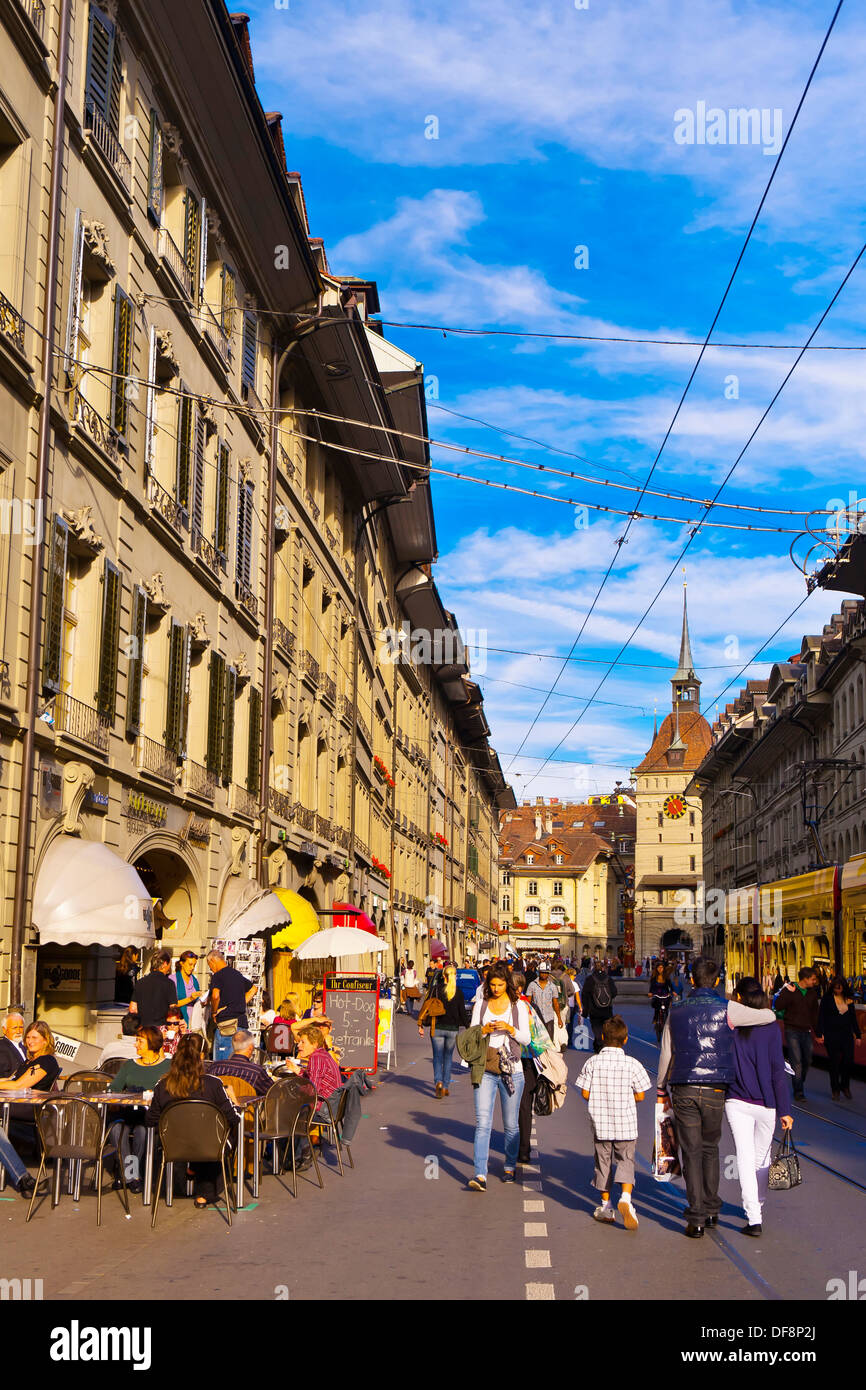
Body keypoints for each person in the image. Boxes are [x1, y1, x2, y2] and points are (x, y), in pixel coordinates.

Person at [657, 956, 777, 1238]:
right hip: (716, 1089)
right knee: (711, 1148)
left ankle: (696, 1216)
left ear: (691, 980)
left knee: (691, 1151)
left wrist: (661, 1089)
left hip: (684, 1087)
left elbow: (666, 1053)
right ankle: (711, 1209)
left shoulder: (676, 1010)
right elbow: (769, 1016)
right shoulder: (728, 1008)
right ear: (718, 981)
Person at [725, 978, 794, 1237]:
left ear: (741, 999)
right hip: (767, 1103)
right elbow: (778, 1070)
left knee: (744, 1157)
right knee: (761, 1157)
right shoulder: (772, 1027)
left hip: (737, 1100)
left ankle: (754, 1217)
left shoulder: (731, 1026)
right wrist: (785, 1110)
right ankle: (758, 1204)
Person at [146, 1033, 238, 1209]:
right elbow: (232, 1119)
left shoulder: (162, 1085)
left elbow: (151, 1120)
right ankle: (205, 1193)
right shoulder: (213, 1084)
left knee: (200, 1137)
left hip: (172, 1146)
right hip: (208, 1147)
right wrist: (235, 1102)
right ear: (202, 1056)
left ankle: (192, 1171)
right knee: (217, 1138)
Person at [577, 1015, 651, 1229]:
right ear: (626, 1040)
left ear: (601, 1037)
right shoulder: (632, 1064)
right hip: (626, 1124)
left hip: (601, 1124)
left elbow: (584, 1092)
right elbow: (641, 1095)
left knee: (603, 1163)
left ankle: (606, 1206)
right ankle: (626, 1199)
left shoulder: (593, 1062)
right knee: (627, 1160)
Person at [466, 962, 532, 1190]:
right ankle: (480, 1174)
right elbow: (472, 1031)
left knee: (511, 1124)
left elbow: (526, 1039)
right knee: (482, 1122)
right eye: (492, 984)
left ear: (507, 984)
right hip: (484, 1067)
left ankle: (509, 1166)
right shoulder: (481, 1005)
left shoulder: (518, 1007)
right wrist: (484, 1030)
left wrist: (509, 1028)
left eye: (500, 985)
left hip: (512, 1070)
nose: (495, 988)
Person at [110, 1025, 172, 1193]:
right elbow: (114, 1088)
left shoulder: (168, 1066)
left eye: (139, 1041)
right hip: (128, 1113)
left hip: (151, 1116)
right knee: (116, 1130)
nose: (135, 1044)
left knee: (141, 1132)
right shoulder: (130, 1065)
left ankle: (128, 1174)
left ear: (151, 1043)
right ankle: (132, 1176)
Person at [418, 963, 468, 1097]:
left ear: (443, 976)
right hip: (452, 1030)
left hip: (437, 1028)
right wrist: (469, 1028)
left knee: (437, 1057)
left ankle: (438, 1082)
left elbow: (426, 1006)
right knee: (448, 1058)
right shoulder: (458, 992)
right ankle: (445, 1086)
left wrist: (421, 1024)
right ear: (454, 976)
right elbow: (462, 1013)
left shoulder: (435, 989)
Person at [775, 967, 821, 1101]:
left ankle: (799, 1080)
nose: (815, 982)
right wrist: (787, 993)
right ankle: (798, 1091)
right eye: (813, 979)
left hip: (806, 1031)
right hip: (792, 1030)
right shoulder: (790, 989)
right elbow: (778, 1005)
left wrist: (818, 1033)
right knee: (797, 1062)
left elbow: (814, 1014)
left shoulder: (812, 993)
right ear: (805, 979)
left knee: (807, 1060)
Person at [207, 950, 256, 1062]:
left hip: (227, 1026)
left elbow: (215, 996)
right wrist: (239, 1003)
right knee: (238, 1063)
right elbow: (253, 989)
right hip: (242, 1025)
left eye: (209, 965)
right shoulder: (237, 974)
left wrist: (214, 1012)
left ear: (213, 961)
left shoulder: (217, 976)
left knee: (222, 1065)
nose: (210, 969)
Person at [818, 975, 862, 1101]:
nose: (838, 991)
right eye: (836, 989)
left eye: (840, 988)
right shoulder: (827, 999)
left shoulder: (848, 999)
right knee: (834, 1063)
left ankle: (845, 1086)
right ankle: (835, 1089)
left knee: (848, 1061)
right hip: (832, 1035)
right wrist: (820, 1033)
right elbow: (821, 1016)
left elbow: (853, 1017)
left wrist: (857, 1035)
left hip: (846, 1035)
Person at [208, 1029, 274, 1096]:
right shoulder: (256, 1072)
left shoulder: (215, 1067)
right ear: (250, 1048)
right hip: (245, 1106)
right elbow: (273, 1092)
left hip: (218, 1105)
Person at [130, 949, 178, 1028]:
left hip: (143, 1028)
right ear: (165, 964)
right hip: (161, 1029)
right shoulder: (169, 984)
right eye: (170, 964)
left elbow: (132, 1009)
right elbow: (173, 1009)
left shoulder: (140, 982)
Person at [582, 963, 617, 1053]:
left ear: (593, 968)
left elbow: (585, 995)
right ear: (603, 968)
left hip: (594, 1010)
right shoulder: (609, 979)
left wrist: (585, 1011)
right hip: (607, 1009)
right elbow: (614, 992)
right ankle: (600, 1044)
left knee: (596, 1028)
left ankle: (599, 1043)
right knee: (606, 1028)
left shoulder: (590, 979)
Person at [527, 962, 562, 1041]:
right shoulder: (532, 985)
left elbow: (555, 1003)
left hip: (549, 1018)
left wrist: (559, 1018)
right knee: (538, 1043)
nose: (544, 975)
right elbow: (528, 1003)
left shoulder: (552, 987)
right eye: (542, 972)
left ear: (549, 974)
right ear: (539, 972)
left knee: (549, 1041)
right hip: (536, 1019)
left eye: (546, 973)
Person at [174, 951, 203, 1027]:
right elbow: (172, 1004)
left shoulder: (194, 980)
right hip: (180, 1021)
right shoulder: (173, 979)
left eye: (194, 965)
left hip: (195, 1021)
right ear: (182, 963)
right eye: (190, 964)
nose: (192, 968)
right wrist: (190, 998)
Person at [648, 963, 673, 1043]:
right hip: (657, 994)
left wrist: (673, 991)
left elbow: (670, 985)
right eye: (659, 967)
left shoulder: (666, 977)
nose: (660, 969)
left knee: (666, 1008)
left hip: (665, 994)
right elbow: (652, 986)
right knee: (657, 1007)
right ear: (657, 968)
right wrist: (650, 992)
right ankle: (656, 1019)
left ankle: (666, 1020)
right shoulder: (654, 977)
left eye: (662, 967)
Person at [0, 1012, 27, 1077]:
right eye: (14, 1028)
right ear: (4, 1030)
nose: (18, 1031)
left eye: (21, 1027)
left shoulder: (27, 1046)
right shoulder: (1, 1048)